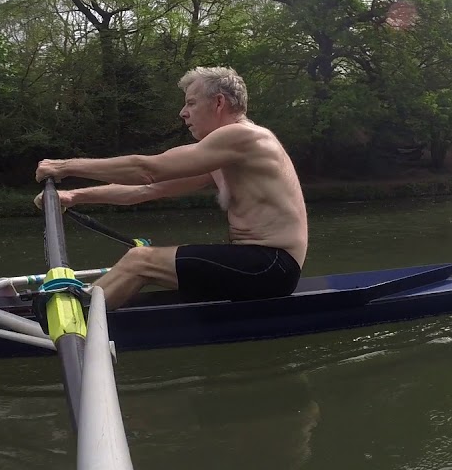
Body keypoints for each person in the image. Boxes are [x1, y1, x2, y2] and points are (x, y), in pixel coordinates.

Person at [34, 66, 308, 310]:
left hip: (271, 267)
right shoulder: (223, 152)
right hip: (259, 265)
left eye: (191, 103)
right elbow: (148, 190)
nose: (183, 112)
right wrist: (74, 196)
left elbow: (147, 171)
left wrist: (64, 166)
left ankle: (73, 322)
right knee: (142, 264)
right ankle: (95, 305)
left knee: (140, 260)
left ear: (219, 102)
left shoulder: (244, 136)